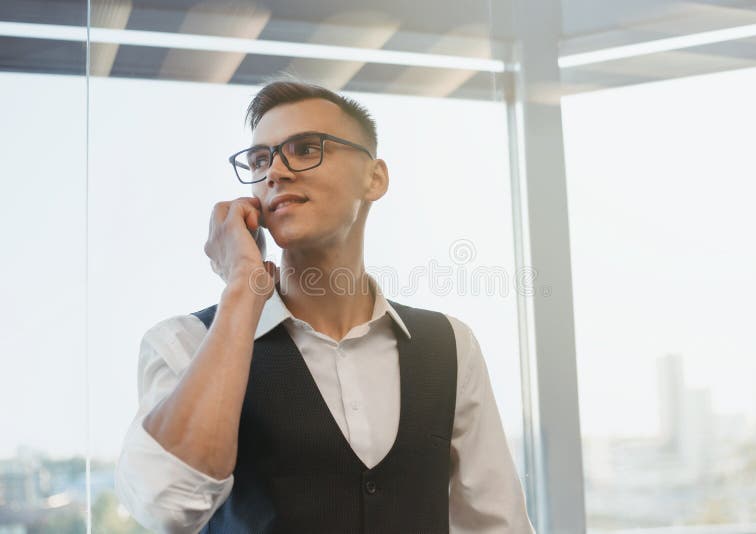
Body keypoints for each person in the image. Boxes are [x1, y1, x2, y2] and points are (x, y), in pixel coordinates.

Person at [115, 79, 535, 534]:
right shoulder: (185, 343)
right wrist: (241, 290)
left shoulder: (450, 346)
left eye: (304, 148)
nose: (275, 171)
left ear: (374, 178)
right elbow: (168, 507)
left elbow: (499, 525)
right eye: (260, 159)